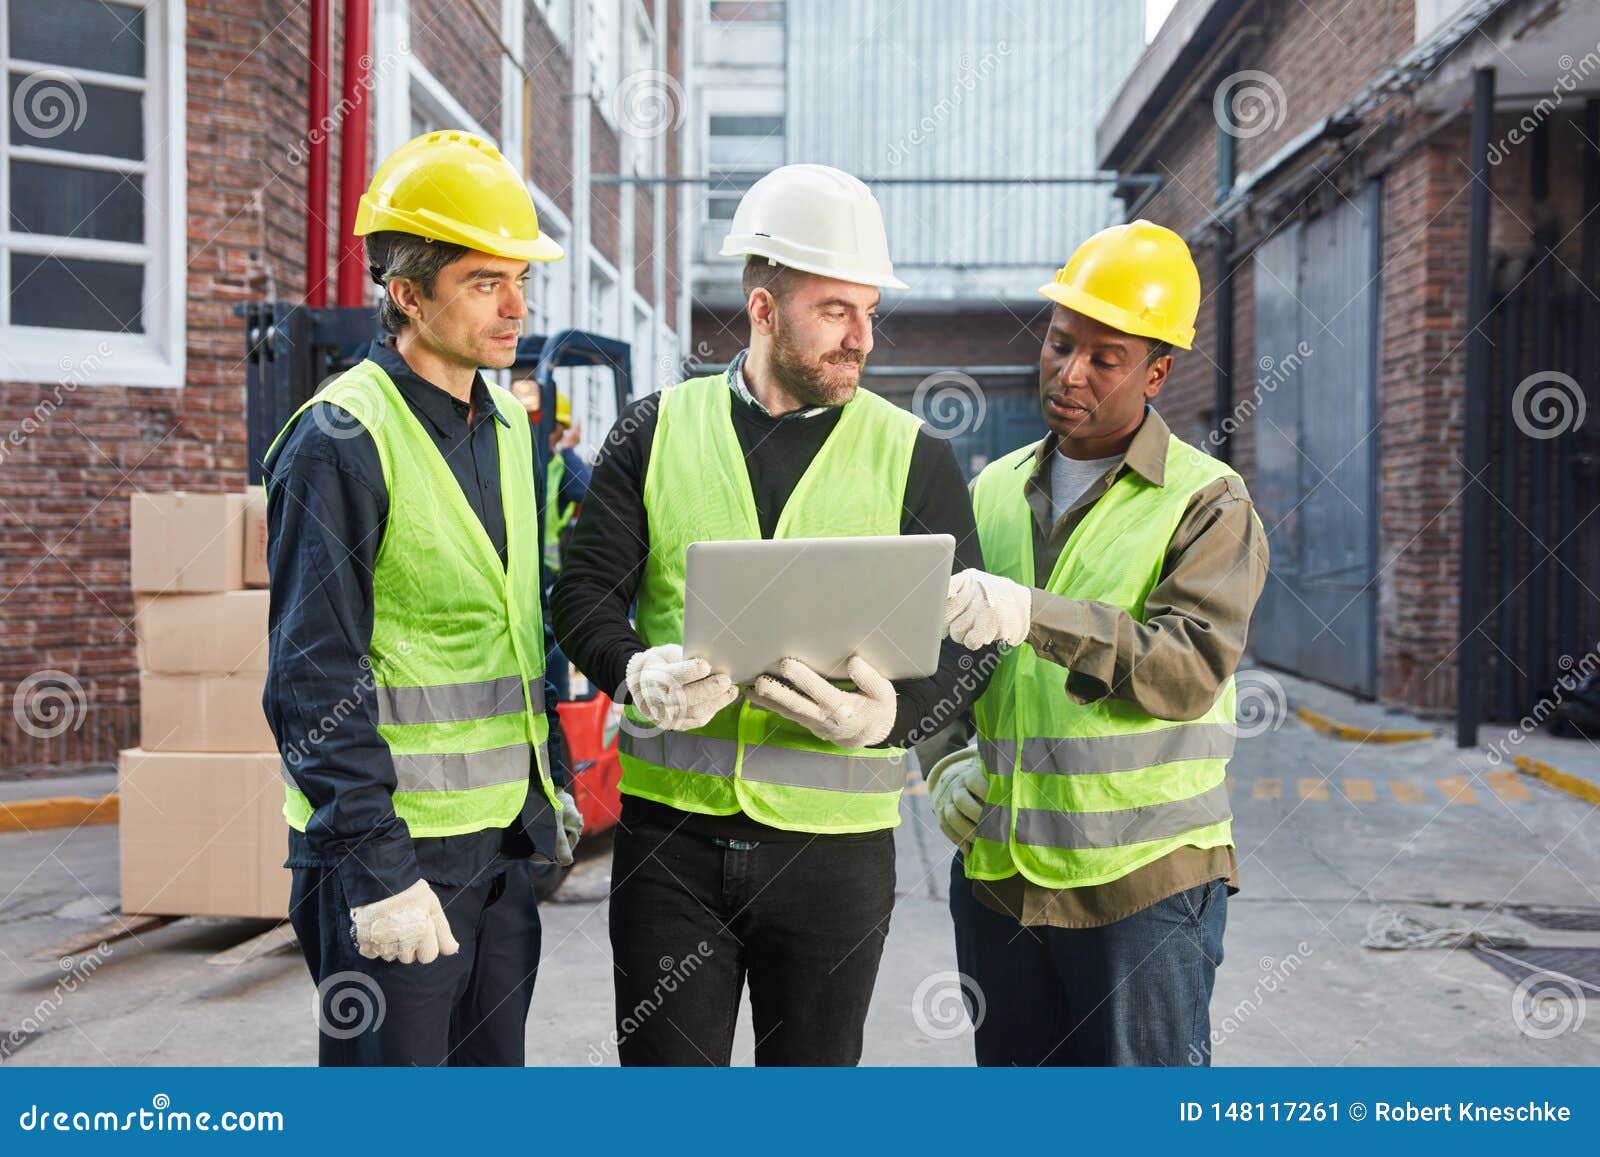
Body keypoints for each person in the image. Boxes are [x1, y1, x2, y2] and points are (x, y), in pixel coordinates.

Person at [551, 163, 993, 1066]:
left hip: (835, 859)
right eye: (836, 310)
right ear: (762, 308)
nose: (861, 337)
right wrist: (634, 667)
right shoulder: (654, 429)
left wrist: (894, 720)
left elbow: (967, 644)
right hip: (672, 848)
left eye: (870, 311)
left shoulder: (915, 456)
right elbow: (582, 594)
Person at [262, 131, 583, 1066]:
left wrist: (549, 777)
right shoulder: (340, 439)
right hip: (392, 859)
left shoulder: (512, 427)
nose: (516, 307)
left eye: (521, 279)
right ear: (407, 294)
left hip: (497, 851)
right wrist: (379, 870)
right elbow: (312, 679)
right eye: (486, 282)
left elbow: (516, 626)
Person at [935, 220, 1269, 1066]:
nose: (1069, 372)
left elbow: (1187, 668)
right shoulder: (993, 489)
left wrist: (1031, 615)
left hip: (1144, 893)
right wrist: (940, 758)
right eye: (1059, 343)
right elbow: (932, 649)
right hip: (1002, 882)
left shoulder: (1208, 502)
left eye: (1104, 356)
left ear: (1158, 370)